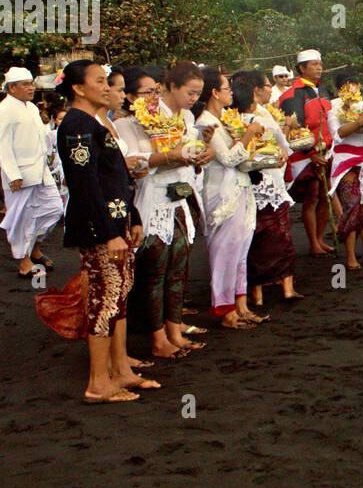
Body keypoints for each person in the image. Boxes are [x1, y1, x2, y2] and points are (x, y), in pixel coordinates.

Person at [54, 60, 156, 404]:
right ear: (79, 88)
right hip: (100, 227)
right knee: (105, 298)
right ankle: (98, 382)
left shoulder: (97, 123)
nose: (107, 87)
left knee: (121, 292)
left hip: (117, 220)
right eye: (100, 81)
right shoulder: (77, 126)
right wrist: (108, 231)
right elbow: (85, 186)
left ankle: (120, 369)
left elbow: (115, 179)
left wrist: (134, 216)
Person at [118, 60, 210, 358]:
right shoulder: (136, 119)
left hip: (180, 197)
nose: (194, 99)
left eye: (199, 94)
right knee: (155, 271)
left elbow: (187, 151)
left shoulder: (184, 116)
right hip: (155, 197)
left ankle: (173, 328)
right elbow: (137, 163)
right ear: (170, 86)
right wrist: (174, 154)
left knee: (178, 269)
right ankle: (157, 338)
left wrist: (198, 153)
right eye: (191, 92)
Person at [194, 69, 266, 329]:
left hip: (241, 187)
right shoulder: (205, 123)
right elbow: (228, 159)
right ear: (214, 93)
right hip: (222, 193)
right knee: (225, 251)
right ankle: (225, 309)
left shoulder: (226, 119)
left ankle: (241, 303)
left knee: (241, 248)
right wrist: (248, 135)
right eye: (227, 89)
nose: (231, 93)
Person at [232, 69, 301, 304]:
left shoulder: (266, 112)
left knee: (281, 236)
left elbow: (281, 144)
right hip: (252, 182)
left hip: (273, 180)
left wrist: (283, 148)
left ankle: (287, 286)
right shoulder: (234, 118)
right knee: (258, 238)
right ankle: (257, 292)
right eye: (266, 85)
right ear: (255, 90)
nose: (271, 88)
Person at [0, 67, 65, 276]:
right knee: (20, 217)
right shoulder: (3, 110)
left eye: (31, 83)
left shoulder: (32, 108)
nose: (31, 87)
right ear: (12, 88)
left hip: (41, 170)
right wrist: (13, 173)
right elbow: (3, 145)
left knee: (53, 208)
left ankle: (34, 247)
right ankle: (24, 262)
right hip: (19, 173)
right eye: (25, 84)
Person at [277, 49, 334, 255]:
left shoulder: (324, 90)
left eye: (320, 63)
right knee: (311, 196)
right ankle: (313, 243)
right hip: (306, 154)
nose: (319, 67)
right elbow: (296, 128)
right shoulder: (293, 94)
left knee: (326, 196)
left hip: (327, 151)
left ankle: (320, 237)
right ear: (301, 68)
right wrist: (311, 153)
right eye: (314, 64)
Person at [327, 69, 363, 271]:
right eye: (348, 85)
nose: (353, 89)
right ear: (340, 88)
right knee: (351, 207)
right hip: (345, 161)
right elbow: (337, 134)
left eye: (355, 85)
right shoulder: (333, 107)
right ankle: (350, 257)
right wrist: (357, 123)